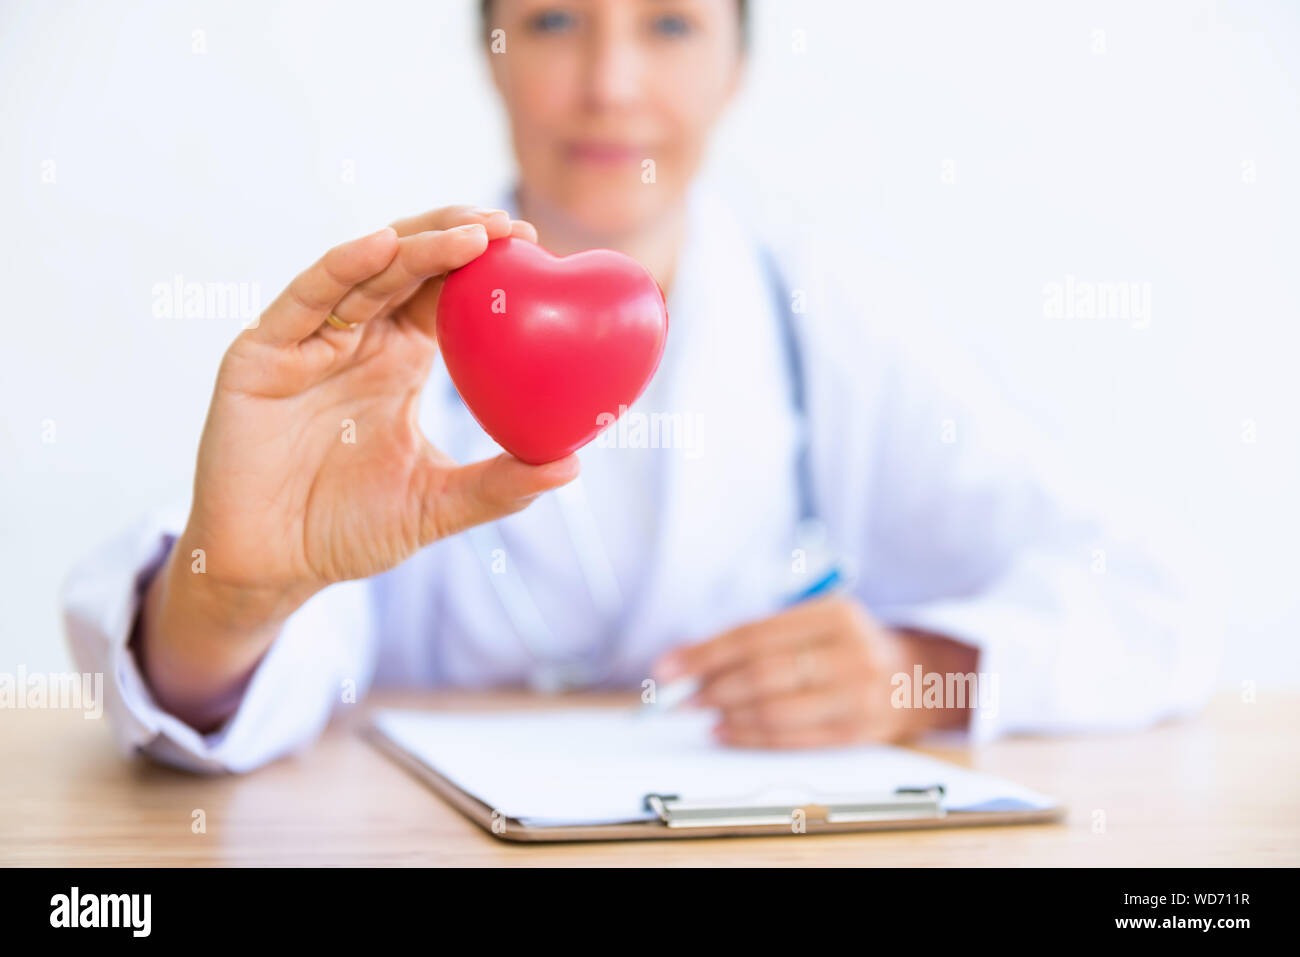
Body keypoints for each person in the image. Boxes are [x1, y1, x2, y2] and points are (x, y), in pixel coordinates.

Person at [63, 0, 1218, 773]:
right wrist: (230, 600)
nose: (609, 85)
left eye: (668, 23)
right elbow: (246, 680)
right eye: (555, 19)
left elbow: (1156, 606)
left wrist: (926, 671)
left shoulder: (836, 322)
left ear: (737, 62)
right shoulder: (371, 340)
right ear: (489, 48)